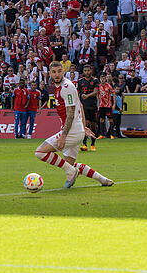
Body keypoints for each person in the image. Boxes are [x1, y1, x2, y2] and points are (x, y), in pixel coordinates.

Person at [34, 61, 113, 189]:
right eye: (54, 72)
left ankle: (71, 172)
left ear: (63, 72)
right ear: (50, 74)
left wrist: (64, 136)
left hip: (71, 132)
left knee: (40, 152)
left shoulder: (67, 87)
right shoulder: (62, 87)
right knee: (69, 164)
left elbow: (71, 113)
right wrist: (83, 126)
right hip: (77, 130)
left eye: (59, 71)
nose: (57, 74)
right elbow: (80, 105)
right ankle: (102, 179)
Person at [78, 64, 99, 152]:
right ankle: (84, 144)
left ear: (91, 71)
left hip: (93, 105)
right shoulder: (80, 81)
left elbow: (96, 92)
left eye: (88, 70)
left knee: (93, 125)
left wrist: (87, 96)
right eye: (85, 71)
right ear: (83, 72)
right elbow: (77, 93)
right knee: (85, 124)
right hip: (84, 106)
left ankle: (93, 144)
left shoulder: (95, 80)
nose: (87, 72)